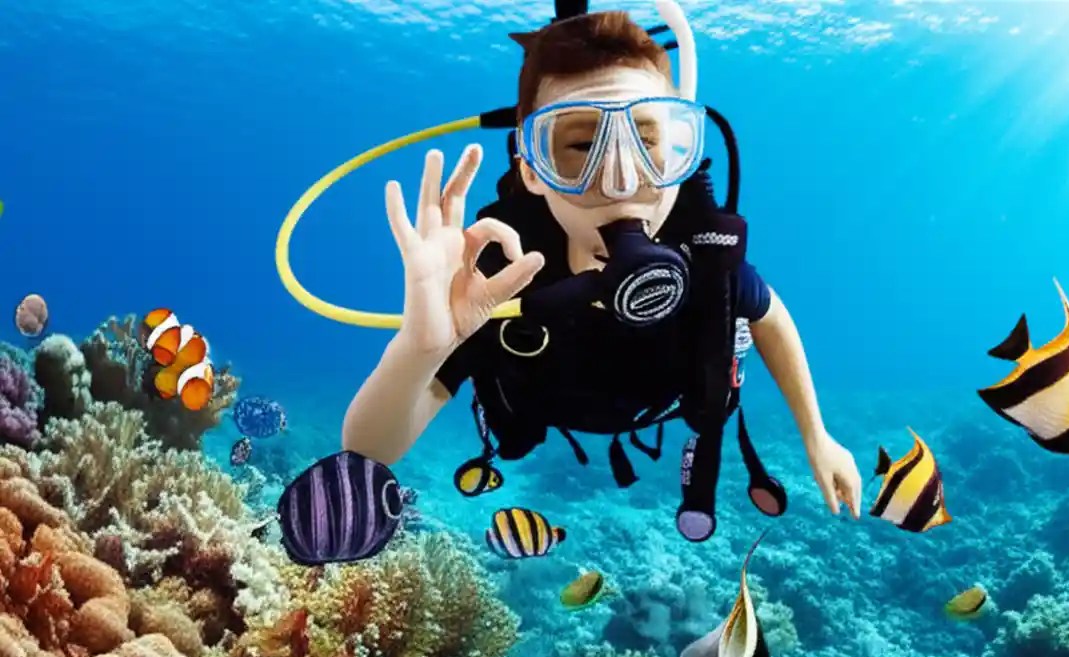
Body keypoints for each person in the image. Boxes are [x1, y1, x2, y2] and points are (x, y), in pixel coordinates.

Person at [340, 0, 862, 541]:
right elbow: (371, 449)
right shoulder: (496, 273)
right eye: (580, 146)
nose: (618, 181)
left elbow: (770, 317)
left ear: (683, 151)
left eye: (649, 142)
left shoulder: (704, 250)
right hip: (545, 409)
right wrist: (418, 352)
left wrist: (817, 435)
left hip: (666, 403)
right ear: (533, 169)